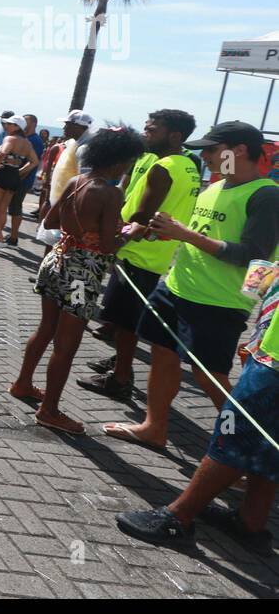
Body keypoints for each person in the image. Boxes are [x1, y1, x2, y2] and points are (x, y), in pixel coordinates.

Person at [102, 122, 279, 450]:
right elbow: (204, 236)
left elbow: (253, 255)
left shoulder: (266, 194)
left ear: (238, 150)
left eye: (212, 150)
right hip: (177, 287)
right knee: (163, 354)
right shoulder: (216, 187)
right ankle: (154, 427)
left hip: (219, 301)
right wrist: (172, 233)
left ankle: (240, 452)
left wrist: (186, 234)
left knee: (209, 376)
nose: (205, 156)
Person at [116, 270, 279, 551]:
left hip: (274, 362)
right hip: (270, 349)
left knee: (234, 432)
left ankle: (177, 518)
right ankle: (250, 522)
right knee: (268, 442)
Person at [10, 127, 147, 434]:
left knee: (46, 329)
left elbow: (50, 221)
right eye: (128, 163)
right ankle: (49, 410)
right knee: (66, 345)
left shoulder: (76, 181)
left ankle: (22, 383)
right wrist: (132, 233)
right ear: (117, 161)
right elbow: (111, 244)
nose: (128, 169)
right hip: (82, 272)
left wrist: (84, 229)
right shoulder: (111, 193)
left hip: (57, 258)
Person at [79, 110, 200, 400]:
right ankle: (121, 363)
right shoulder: (189, 166)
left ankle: (120, 379)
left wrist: (115, 229)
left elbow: (142, 214)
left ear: (174, 136)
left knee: (124, 320)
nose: (145, 134)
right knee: (127, 317)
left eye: (152, 130)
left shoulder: (163, 167)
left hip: (137, 251)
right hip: (158, 251)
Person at [0, 115, 39, 251]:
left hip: (2, 174)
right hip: (14, 177)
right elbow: (34, 162)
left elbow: (3, 153)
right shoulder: (27, 143)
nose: (6, 126)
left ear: (17, 127)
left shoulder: (10, 138)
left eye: (10, 124)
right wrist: (20, 172)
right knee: (2, 209)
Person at [5, 113, 45, 245]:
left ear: (33, 124)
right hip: (15, 178)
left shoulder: (36, 140)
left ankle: (14, 237)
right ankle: (12, 235)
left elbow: (32, 161)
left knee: (15, 207)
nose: (22, 123)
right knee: (11, 207)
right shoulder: (25, 138)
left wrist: (18, 174)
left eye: (25, 121)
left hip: (23, 179)